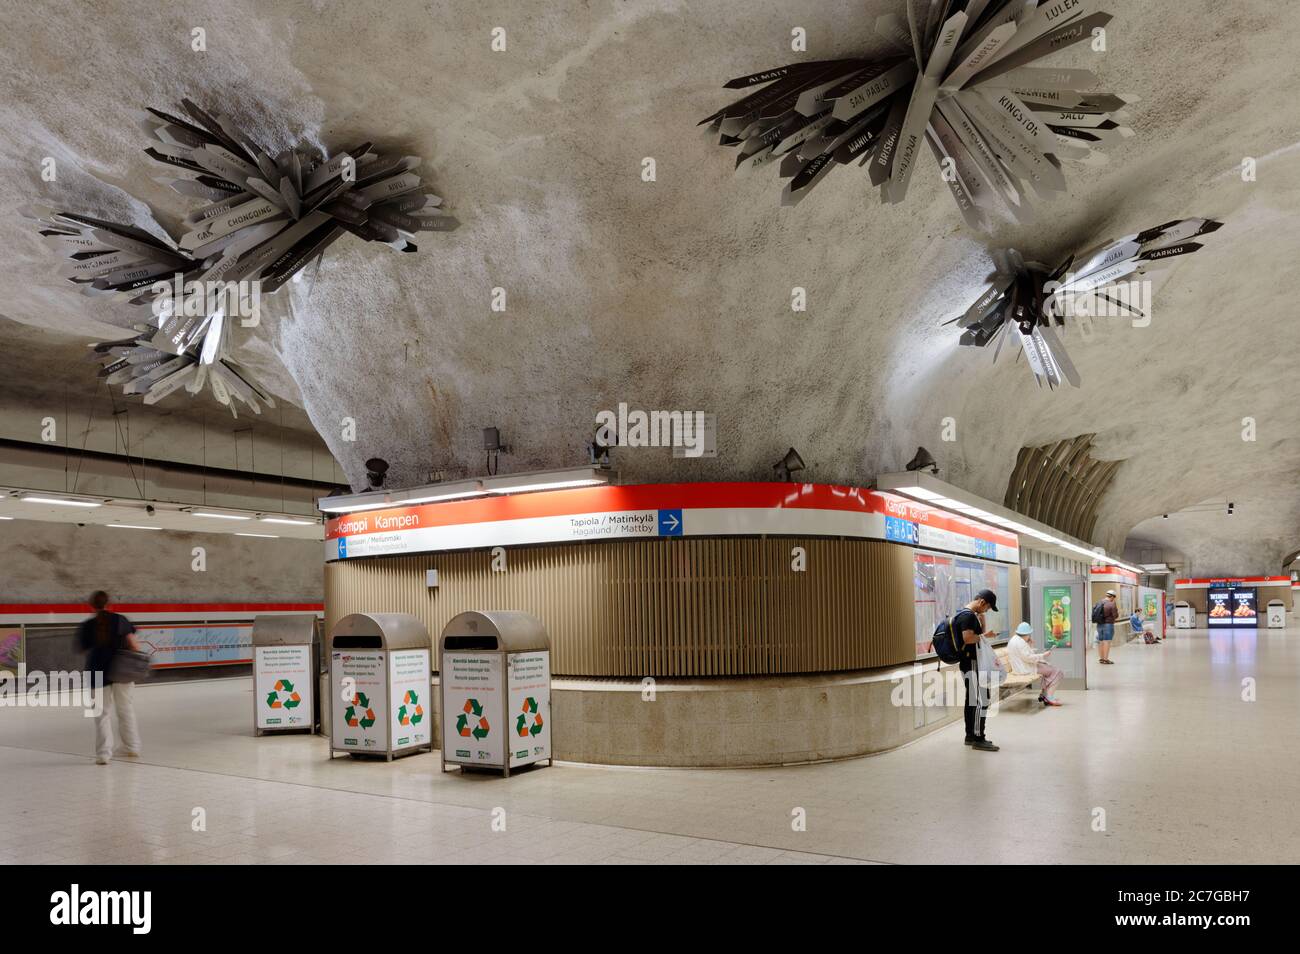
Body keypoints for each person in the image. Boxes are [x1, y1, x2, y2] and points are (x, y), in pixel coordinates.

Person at [77, 590, 142, 764]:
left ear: (91, 606)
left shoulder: (87, 625)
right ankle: (132, 747)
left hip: (97, 672)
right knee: (125, 710)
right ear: (109, 604)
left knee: (101, 714)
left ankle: (104, 754)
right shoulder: (121, 620)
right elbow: (134, 646)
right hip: (122, 672)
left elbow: (83, 649)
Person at [955, 589, 1000, 751]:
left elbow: (977, 635)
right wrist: (985, 636)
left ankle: (970, 736)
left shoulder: (970, 615)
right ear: (981, 602)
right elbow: (968, 638)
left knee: (972, 700)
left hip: (970, 662)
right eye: (987, 607)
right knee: (981, 699)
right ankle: (978, 738)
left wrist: (982, 625)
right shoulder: (967, 616)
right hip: (971, 662)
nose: (987, 610)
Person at [1007, 621, 1064, 706]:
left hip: (1021, 667)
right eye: (1029, 635)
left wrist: (1029, 644)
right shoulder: (1020, 643)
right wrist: (1043, 655)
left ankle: (1044, 694)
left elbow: (1025, 655)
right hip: (1025, 669)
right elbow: (1028, 658)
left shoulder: (1014, 640)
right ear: (1026, 634)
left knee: (1049, 669)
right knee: (1058, 672)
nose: (1030, 636)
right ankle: (1049, 696)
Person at [1096, 589, 1119, 664]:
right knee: (1107, 641)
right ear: (1112, 597)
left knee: (1100, 641)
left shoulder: (1099, 602)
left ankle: (1101, 658)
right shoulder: (1111, 604)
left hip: (1099, 624)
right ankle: (1106, 659)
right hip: (1108, 625)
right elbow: (1115, 616)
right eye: (1114, 597)